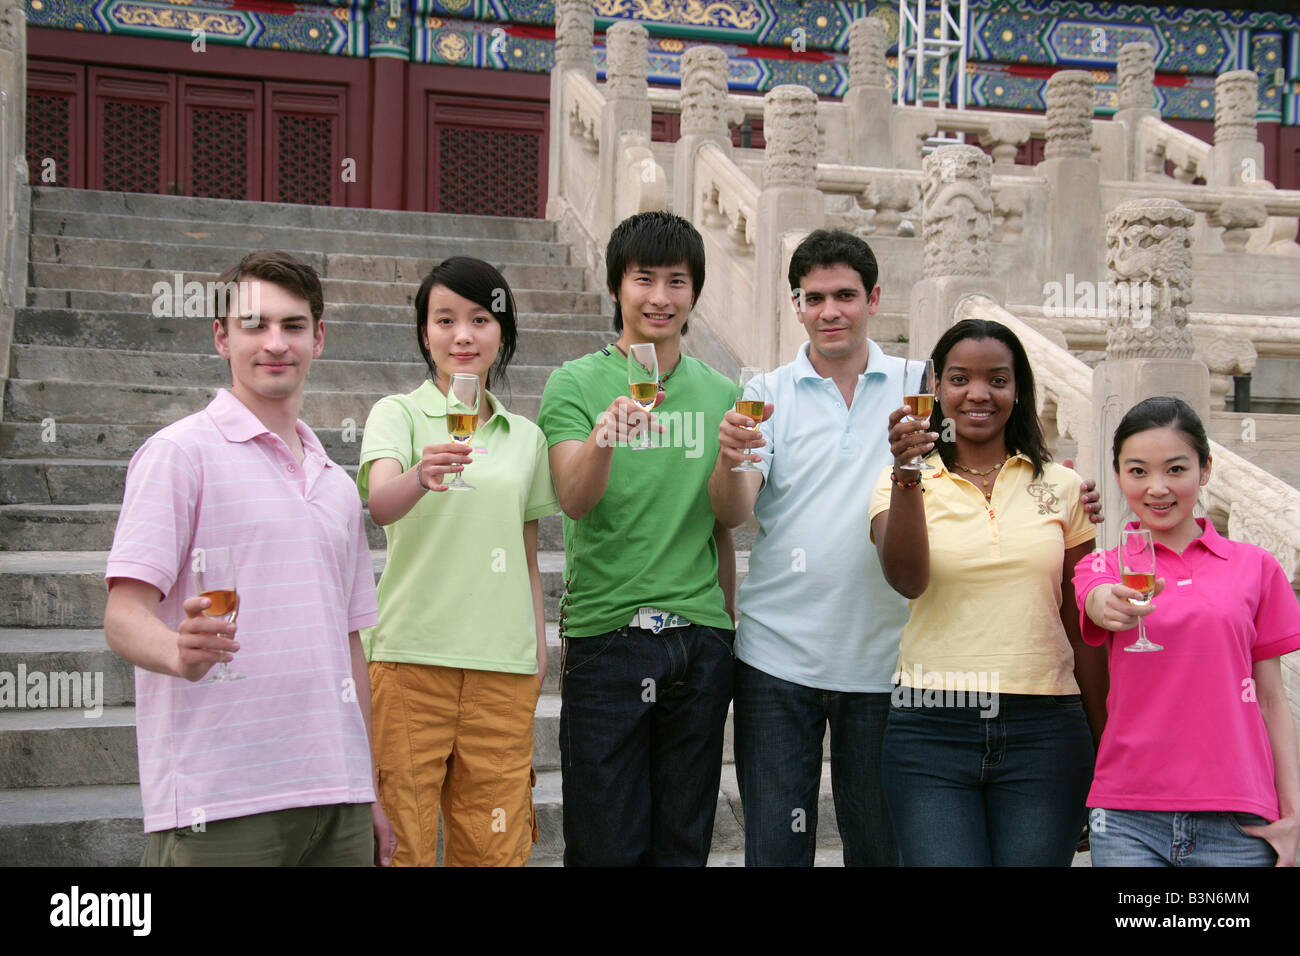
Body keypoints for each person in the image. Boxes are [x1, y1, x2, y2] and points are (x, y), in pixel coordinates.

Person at [103, 250, 395, 866]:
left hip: (336, 799)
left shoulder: (339, 486)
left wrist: (363, 784)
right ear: (221, 337)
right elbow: (124, 615)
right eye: (254, 325)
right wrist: (176, 652)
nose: (275, 343)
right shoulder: (179, 454)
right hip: (222, 801)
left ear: (318, 338)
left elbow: (348, 645)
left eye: (292, 326)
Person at [536, 210, 737, 866]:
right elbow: (572, 498)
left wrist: (723, 632)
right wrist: (604, 435)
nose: (659, 297)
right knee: (603, 845)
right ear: (617, 287)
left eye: (676, 281)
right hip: (607, 638)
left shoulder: (722, 394)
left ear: (694, 292)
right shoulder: (575, 383)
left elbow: (726, 523)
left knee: (682, 844)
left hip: (698, 642)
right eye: (642, 279)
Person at [869, 318, 1105, 866]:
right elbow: (906, 578)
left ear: (1018, 389)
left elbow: (1083, 623)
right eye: (959, 379)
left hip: (1046, 728)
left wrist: (1105, 741)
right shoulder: (899, 481)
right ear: (935, 391)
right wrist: (907, 471)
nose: (978, 393)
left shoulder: (1065, 488)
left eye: (997, 379)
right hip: (931, 724)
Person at [708, 229, 909, 866]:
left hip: (889, 659)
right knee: (775, 849)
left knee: (879, 849)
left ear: (873, 298)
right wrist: (728, 459)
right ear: (796, 305)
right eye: (813, 297)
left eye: (845, 295)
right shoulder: (766, 393)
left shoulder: (918, 385)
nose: (830, 311)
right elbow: (734, 510)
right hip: (776, 660)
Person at [356, 257, 558, 867]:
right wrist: (423, 472)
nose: (463, 335)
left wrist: (538, 643)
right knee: (402, 849)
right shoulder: (399, 413)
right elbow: (380, 504)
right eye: (445, 320)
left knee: (494, 849)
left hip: (503, 665)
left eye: (479, 319)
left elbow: (526, 551)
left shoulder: (527, 438)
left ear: (503, 333)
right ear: (425, 333)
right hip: (411, 658)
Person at [1075, 397, 1300, 867]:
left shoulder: (1255, 567)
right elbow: (1097, 599)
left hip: (1239, 817)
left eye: (1175, 469)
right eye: (1138, 471)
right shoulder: (1102, 565)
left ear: (1206, 469)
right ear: (1117, 476)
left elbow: (1272, 697)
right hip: (1126, 815)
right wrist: (1109, 603)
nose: (1157, 488)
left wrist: (1294, 814)